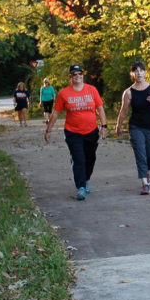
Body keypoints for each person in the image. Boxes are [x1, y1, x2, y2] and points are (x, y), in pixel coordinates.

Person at [44, 65, 108, 200]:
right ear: (70, 77)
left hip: (91, 131)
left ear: (83, 75)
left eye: (80, 74)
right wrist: (48, 130)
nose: (78, 76)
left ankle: (85, 179)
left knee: (90, 158)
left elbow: (100, 109)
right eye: (74, 74)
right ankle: (81, 187)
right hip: (72, 132)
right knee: (79, 158)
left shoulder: (92, 90)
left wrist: (104, 126)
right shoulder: (64, 93)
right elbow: (56, 113)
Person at [115, 61, 150, 195]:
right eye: (136, 71)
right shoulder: (129, 92)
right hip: (136, 127)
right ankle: (145, 183)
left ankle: (147, 173)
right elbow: (123, 111)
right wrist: (118, 126)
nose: (139, 73)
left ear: (145, 72)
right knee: (140, 155)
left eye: (141, 70)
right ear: (132, 74)